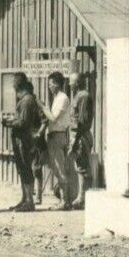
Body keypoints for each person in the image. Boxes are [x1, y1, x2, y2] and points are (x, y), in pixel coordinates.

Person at [1, 73, 42, 212]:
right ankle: (25, 199)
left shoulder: (27, 100)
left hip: (24, 139)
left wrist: (9, 123)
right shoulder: (24, 99)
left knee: (26, 168)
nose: (13, 84)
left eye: (15, 81)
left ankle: (30, 201)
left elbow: (24, 122)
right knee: (22, 169)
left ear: (20, 83)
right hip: (19, 138)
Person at [44, 71, 81, 210]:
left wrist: (43, 107)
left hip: (58, 135)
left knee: (59, 168)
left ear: (58, 84)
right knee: (56, 168)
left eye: (51, 83)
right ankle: (63, 199)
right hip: (55, 135)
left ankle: (64, 201)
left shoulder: (62, 98)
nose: (49, 86)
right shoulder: (57, 98)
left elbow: (54, 118)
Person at [70, 71, 95, 203]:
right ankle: (81, 196)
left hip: (81, 135)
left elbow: (83, 121)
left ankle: (84, 197)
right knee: (79, 166)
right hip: (77, 135)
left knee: (83, 166)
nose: (69, 84)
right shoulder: (78, 96)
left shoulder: (83, 96)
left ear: (77, 83)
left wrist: (75, 139)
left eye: (71, 82)